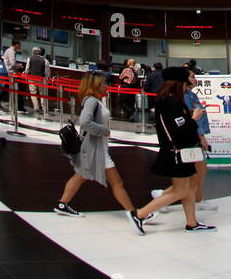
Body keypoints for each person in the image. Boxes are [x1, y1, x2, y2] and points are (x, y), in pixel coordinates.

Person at [54, 72, 145, 228]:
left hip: (95, 147)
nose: (107, 86)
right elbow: (85, 122)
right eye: (104, 83)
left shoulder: (93, 100)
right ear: (96, 85)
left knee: (81, 176)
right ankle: (135, 214)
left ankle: (62, 204)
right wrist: (104, 130)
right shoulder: (91, 101)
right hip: (94, 149)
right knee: (117, 183)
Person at [133, 67, 215, 233]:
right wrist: (193, 118)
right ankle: (139, 214)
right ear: (178, 83)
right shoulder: (171, 102)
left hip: (180, 152)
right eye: (185, 83)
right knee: (181, 190)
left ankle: (192, 223)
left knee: (190, 187)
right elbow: (180, 130)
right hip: (177, 153)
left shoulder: (167, 101)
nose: (187, 86)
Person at [152, 67, 216, 215]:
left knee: (197, 174)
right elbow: (184, 121)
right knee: (193, 177)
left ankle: (196, 201)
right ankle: (156, 202)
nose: (194, 79)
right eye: (191, 77)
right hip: (188, 141)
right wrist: (201, 137)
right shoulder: (181, 97)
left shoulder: (190, 95)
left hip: (191, 138)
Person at [25, 44, 50, 116]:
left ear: (33, 52)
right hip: (41, 79)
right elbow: (47, 72)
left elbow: (27, 69)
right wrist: (47, 78)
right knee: (42, 94)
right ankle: (44, 108)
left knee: (33, 93)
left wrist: (26, 75)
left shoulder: (30, 58)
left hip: (32, 78)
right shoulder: (45, 61)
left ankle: (36, 107)